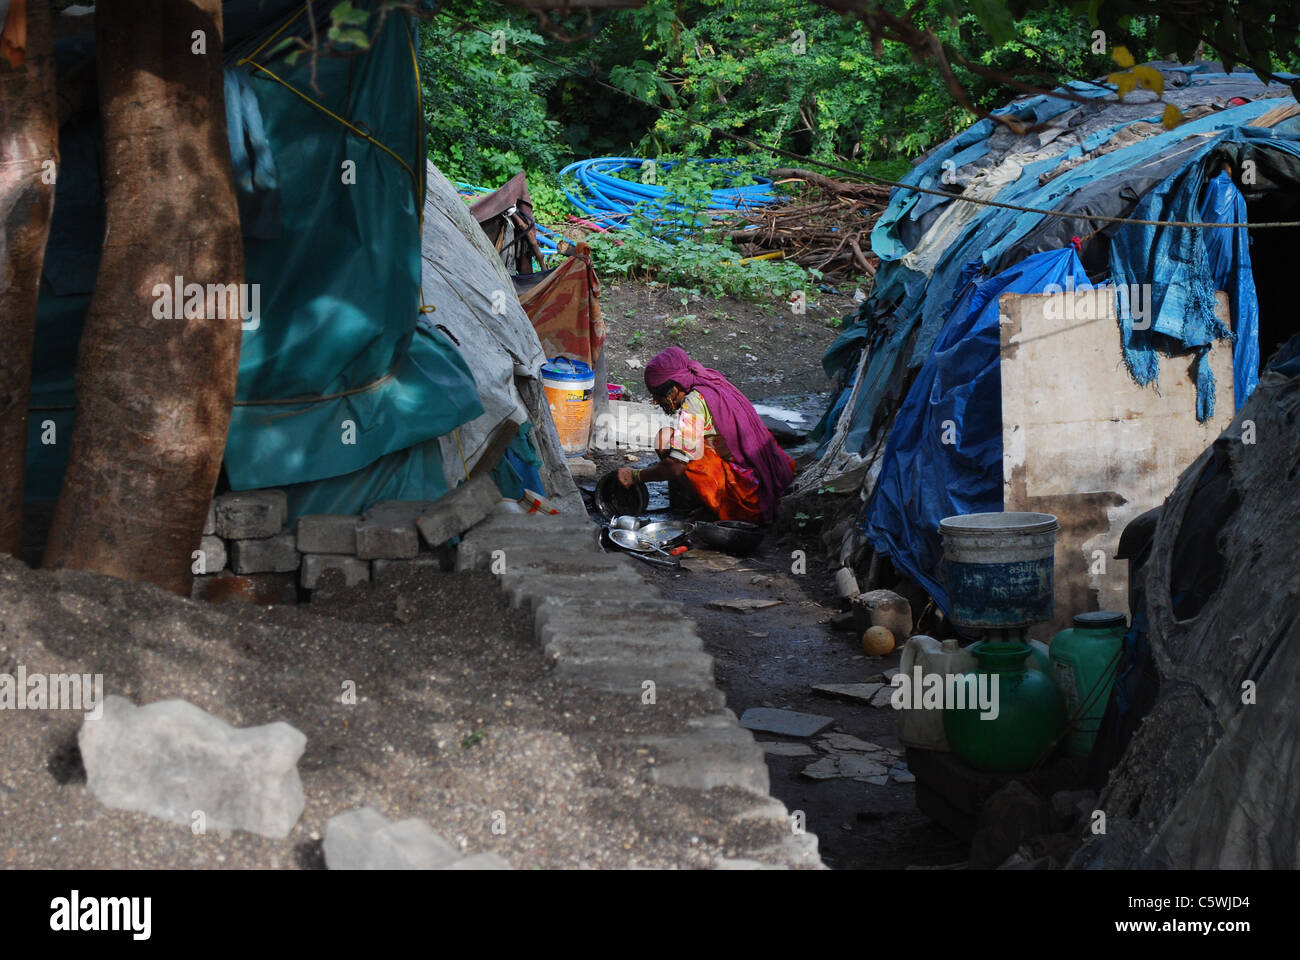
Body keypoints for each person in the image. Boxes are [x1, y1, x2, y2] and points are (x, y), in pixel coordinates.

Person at [617, 346, 795, 524]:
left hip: (752, 496)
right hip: (771, 473)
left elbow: (675, 467)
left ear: (673, 390)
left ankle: (719, 510)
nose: (655, 402)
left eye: (657, 395)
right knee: (675, 438)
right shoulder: (708, 379)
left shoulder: (693, 404)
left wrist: (635, 476)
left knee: (669, 444)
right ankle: (705, 504)